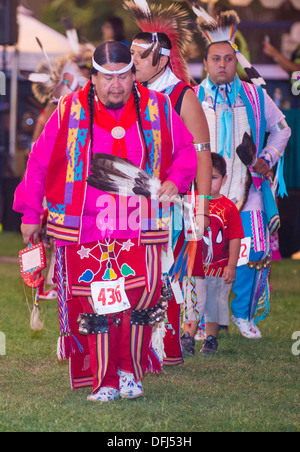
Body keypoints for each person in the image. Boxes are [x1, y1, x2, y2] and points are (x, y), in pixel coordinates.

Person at [13, 42, 197, 402]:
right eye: (107, 77)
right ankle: (105, 380)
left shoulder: (158, 109)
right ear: (93, 77)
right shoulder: (69, 109)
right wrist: (31, 213)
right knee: (96, 303)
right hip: (83, 225)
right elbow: (38, 161)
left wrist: (176, 180)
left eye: (123, 75)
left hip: (138, 224)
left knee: (137, 300)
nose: (116, 85)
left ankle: (129, 371)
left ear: (133, 74)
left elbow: (187, 151)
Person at [192, 9, 291, 339]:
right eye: (216, 59)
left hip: (246, 192)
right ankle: (199, 319)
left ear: (237, 62)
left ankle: (243, 314)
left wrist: (267, 157)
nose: (222, 65)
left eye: (229, 59)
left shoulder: (255, 96)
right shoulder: (191, 99)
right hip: (203, 195)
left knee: (254, 254)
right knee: (199, 256)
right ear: (205, 64)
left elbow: (282, 130)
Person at [125, 0, 212, 366]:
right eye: (130, 56)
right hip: (134, 203)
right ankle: (136, 343)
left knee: (165, 275)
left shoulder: (182, 96)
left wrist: (202, 211)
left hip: (175, 206)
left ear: (160, 60)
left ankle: (165, 347)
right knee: (136, 272)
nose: (131, 64)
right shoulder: (130, 93)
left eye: (139, 58)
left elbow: (203, 155)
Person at [181, 153, 244, 355]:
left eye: (214, 177)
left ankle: (210, 339)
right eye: (204, 177)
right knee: (194, 300)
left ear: (225, 180)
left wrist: (231, 266)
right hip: (195, 267)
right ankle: (187, 337)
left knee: (214, 302)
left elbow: (235, 238)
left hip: (219, 269)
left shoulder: (229, 208)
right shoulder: (190, 202)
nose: (208, 182)